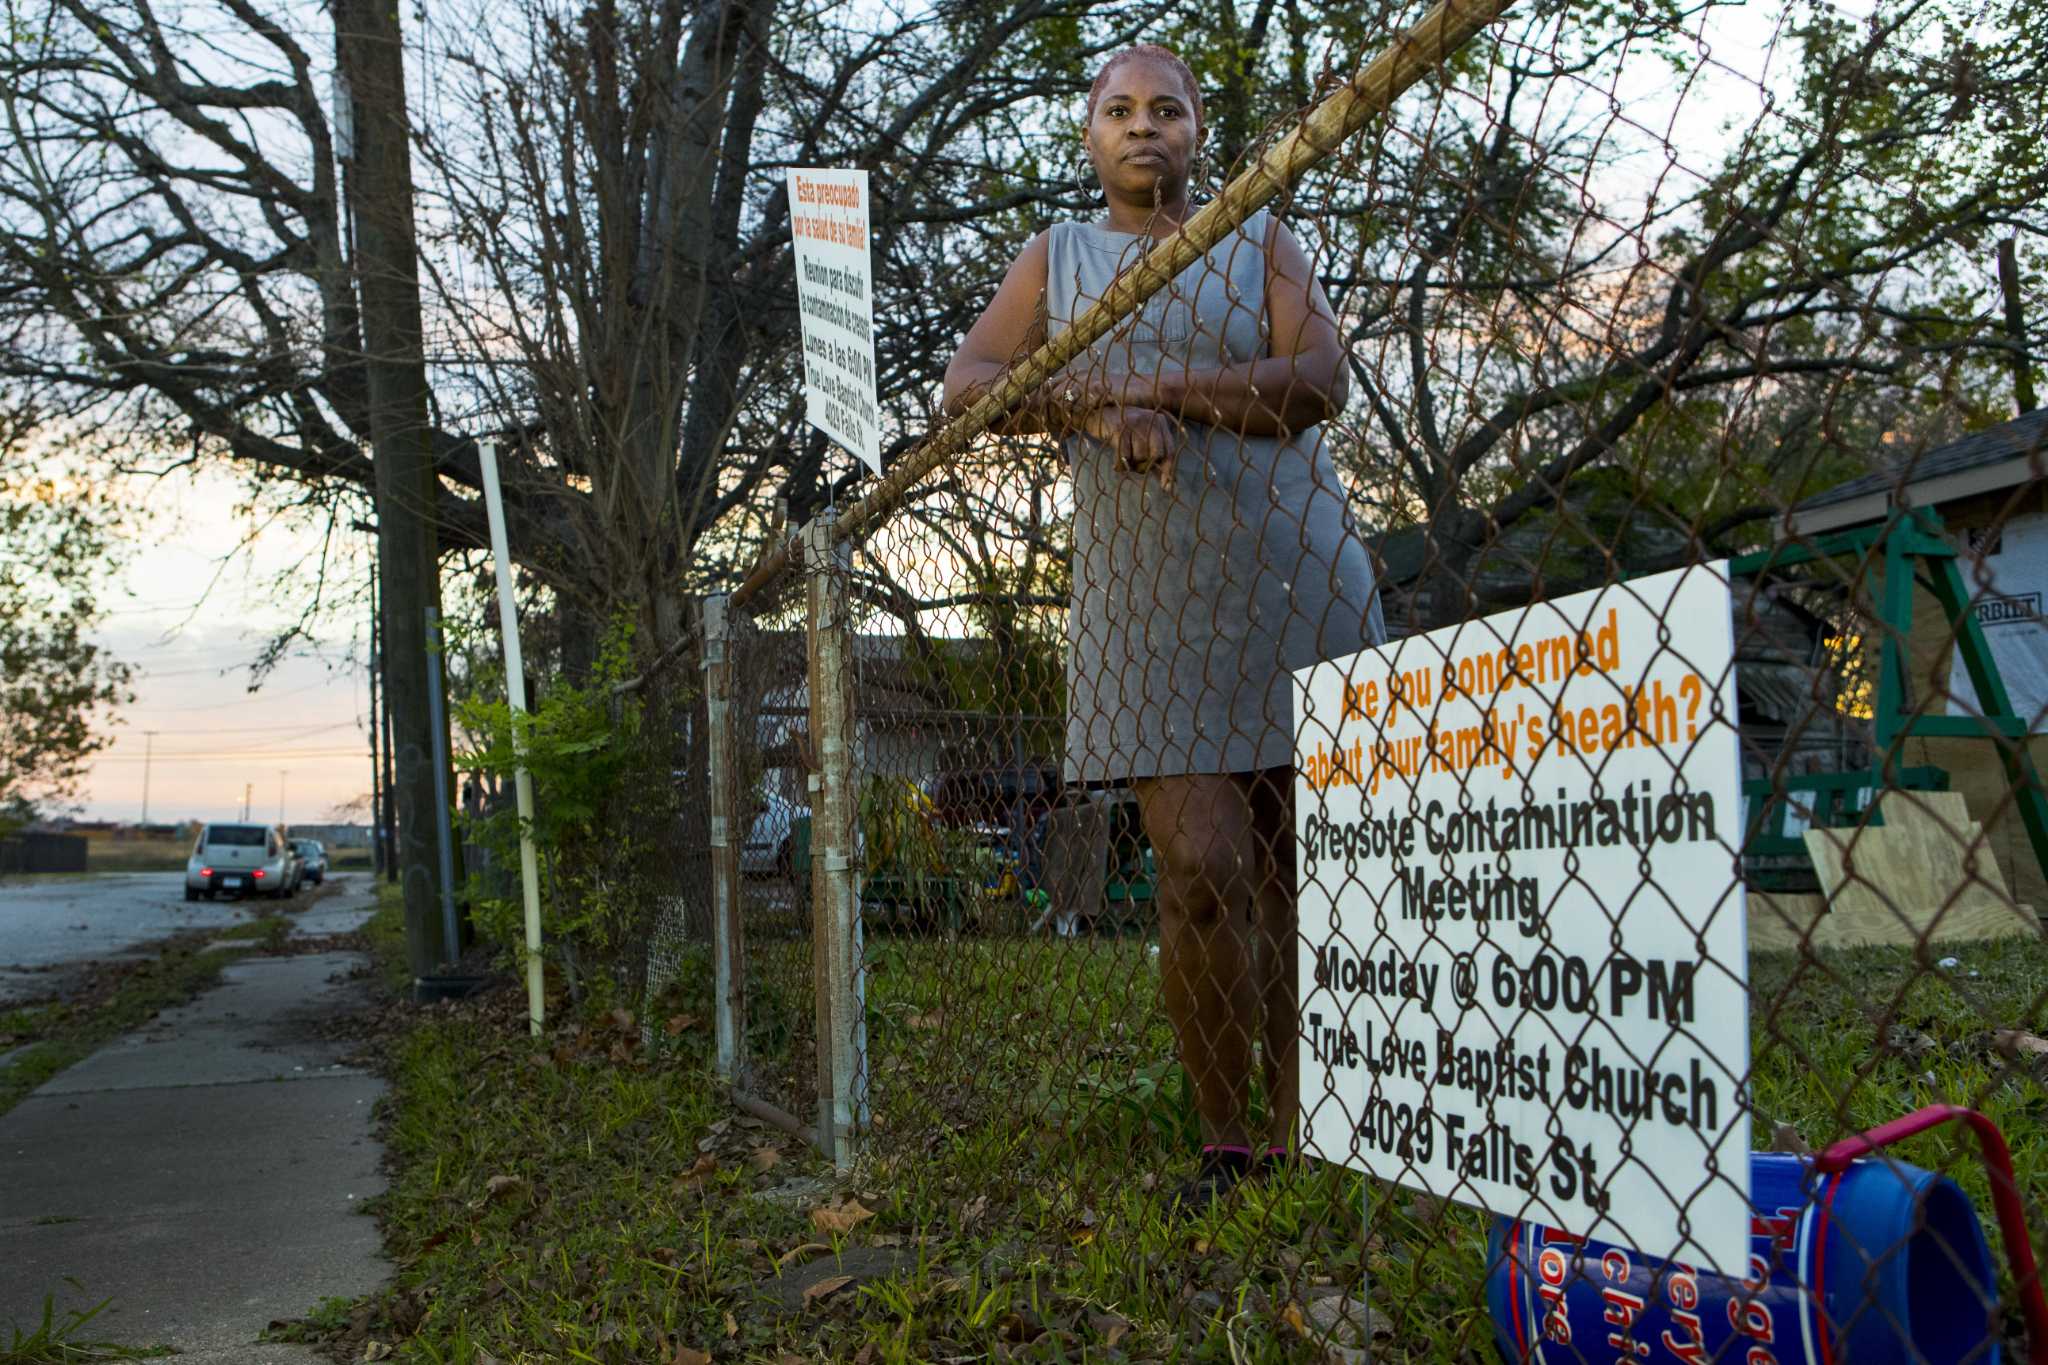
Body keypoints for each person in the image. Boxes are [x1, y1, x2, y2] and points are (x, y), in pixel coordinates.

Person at [942, 43, 1386, 1205]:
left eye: (1169, 111)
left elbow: (1321, 378)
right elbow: (970, 383)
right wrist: (1092, 411)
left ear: (1198, 132)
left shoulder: (1256, 233)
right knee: (1198, 869)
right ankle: (1226, 1137)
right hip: (1146, 606)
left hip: (1299, 584)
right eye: (1120, 111)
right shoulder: (1060, 257)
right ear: (1089, 134)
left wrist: (1167, 391)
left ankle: (1308, 1127)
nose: (1146, 128)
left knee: (1303, 880)